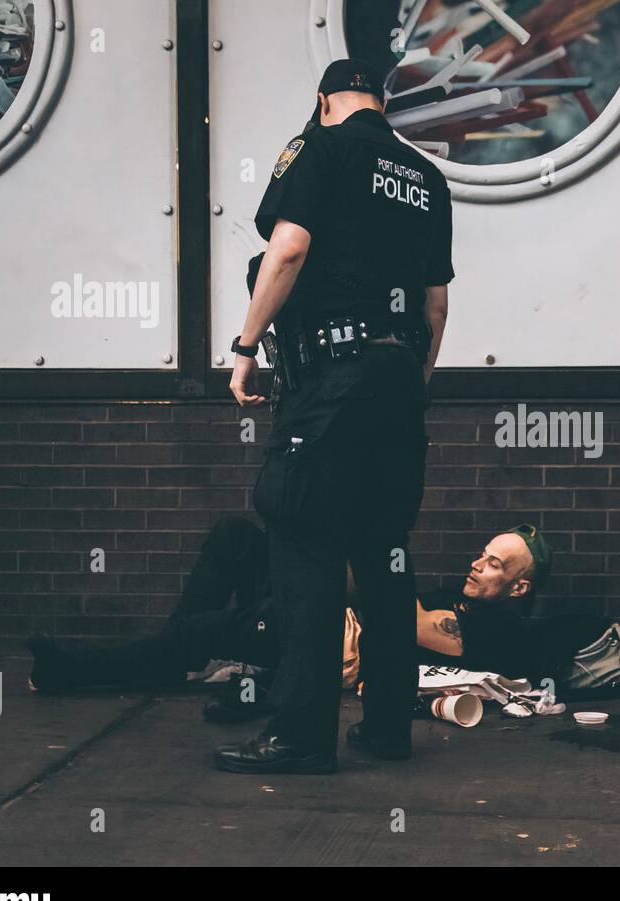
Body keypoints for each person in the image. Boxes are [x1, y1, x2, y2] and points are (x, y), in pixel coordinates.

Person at [219, 57, 453, 773]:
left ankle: (299, 735)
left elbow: (286, 248)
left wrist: (245, 345)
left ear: (324, 102)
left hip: (332, 375)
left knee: (302, 535)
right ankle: (386, 729)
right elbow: (436, 304)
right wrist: (411, 381)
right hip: (398, 379)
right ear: (381, 103)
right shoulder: (426, 178)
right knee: (384, 551)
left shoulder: (320, 146)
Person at [27, 521, 585, 714]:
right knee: (236, 538)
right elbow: (387, 591)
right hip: (329, 607)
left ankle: (69, 671)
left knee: (201, 631)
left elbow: (401, 622)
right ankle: (177, 654)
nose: (477, 564)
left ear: (520, 586)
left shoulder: (499, 627)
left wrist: (356, 573)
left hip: (330, 640)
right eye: (482, 553)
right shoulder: (459, 594)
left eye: (494, 564)